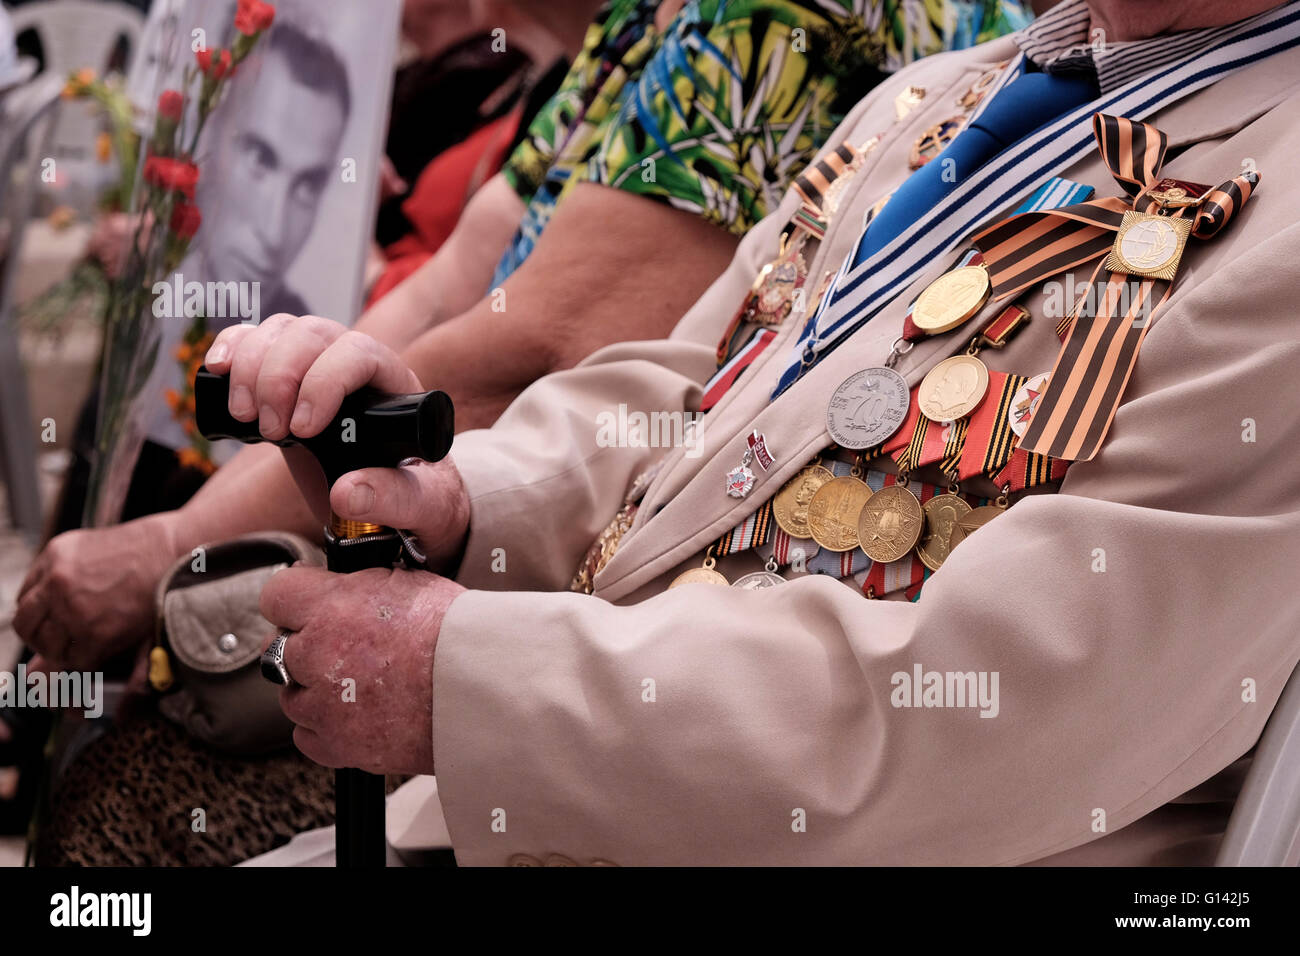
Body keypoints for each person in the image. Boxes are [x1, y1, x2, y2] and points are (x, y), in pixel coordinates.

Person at [207, 0, 1300, 865]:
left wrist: (470, 679)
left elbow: (1008, 704)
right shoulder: (933, 97)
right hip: (556, 809)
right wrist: (455, 498)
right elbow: (687, 395)